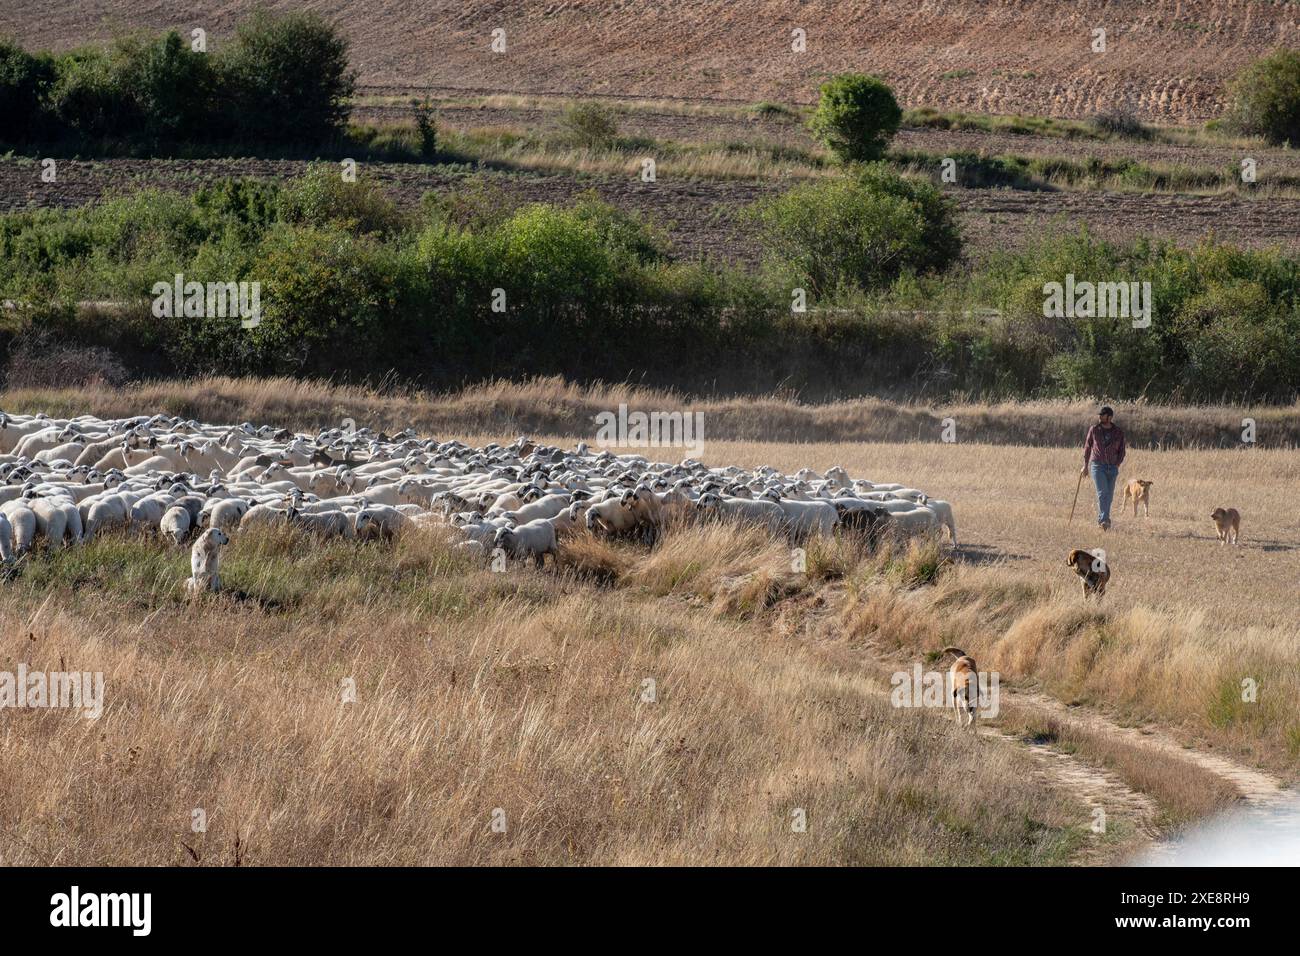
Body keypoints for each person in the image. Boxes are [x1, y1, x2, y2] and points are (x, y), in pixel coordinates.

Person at [1080, 406, 1125, 530]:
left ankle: (1103, 519)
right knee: (1102, 493)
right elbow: (1087, 447)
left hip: (1113, 467)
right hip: (1097, 466)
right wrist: (1085, 465)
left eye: (1103, 415)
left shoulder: (1118, 432)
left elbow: (1122, 450)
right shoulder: (1094, 430)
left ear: (1109, 417)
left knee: (1109, 496)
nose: (1100, 416)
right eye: (1100, 414)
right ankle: (1104, 520)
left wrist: (1117, 464)